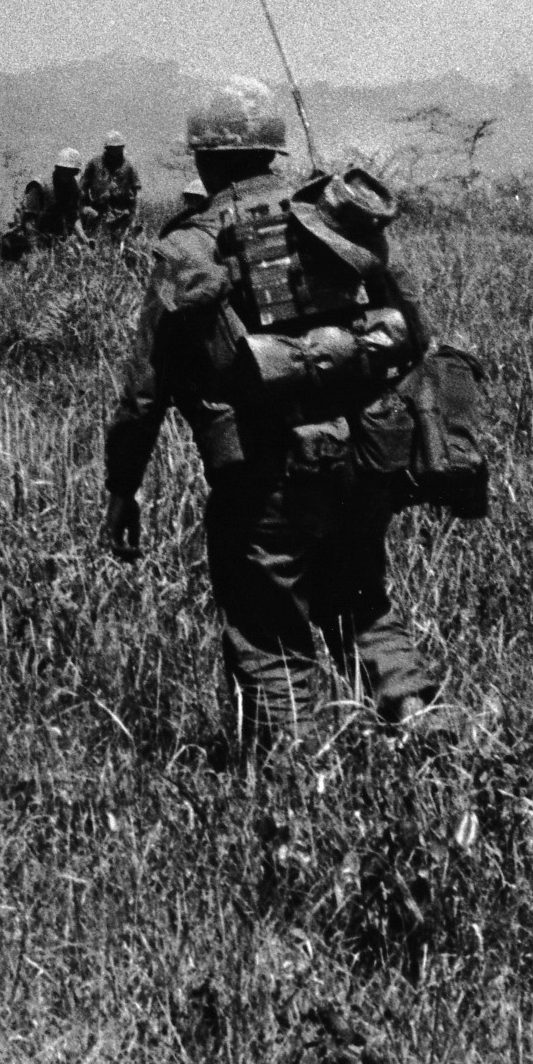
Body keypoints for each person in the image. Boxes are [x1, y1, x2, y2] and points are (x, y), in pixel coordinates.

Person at [101, 78, 442, 748]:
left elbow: (145, 391)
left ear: (203, 160)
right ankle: (439, 750)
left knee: (269, 637)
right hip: (364, 455)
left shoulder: (190, 247)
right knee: (366, 612)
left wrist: (122, 488)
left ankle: (301, 801)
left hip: (265, 472)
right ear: (274, 150)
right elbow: (415, 329)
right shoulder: (334, 213)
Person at [0, 148, 86, 262]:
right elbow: (28, 221)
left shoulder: (72, 188)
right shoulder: (39, 185)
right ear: (58, 169)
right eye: (65, 171)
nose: (68, 175)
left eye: (72, 172)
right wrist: (35, 249)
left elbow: (74, 215)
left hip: (49, 233)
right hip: (25, 232)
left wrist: (83, 237)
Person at [81, 132, 144, 239]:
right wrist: (85, 206)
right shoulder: (94, 163)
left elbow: (137, 190)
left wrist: (135, 213)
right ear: (106, 148)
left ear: (122, 148)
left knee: (126, 240)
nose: (115, 152)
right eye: (112, 148)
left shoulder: (128, 165)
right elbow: (83, 186)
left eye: (118, 148)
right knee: (97, 239)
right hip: (98, 210)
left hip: (122, 211)